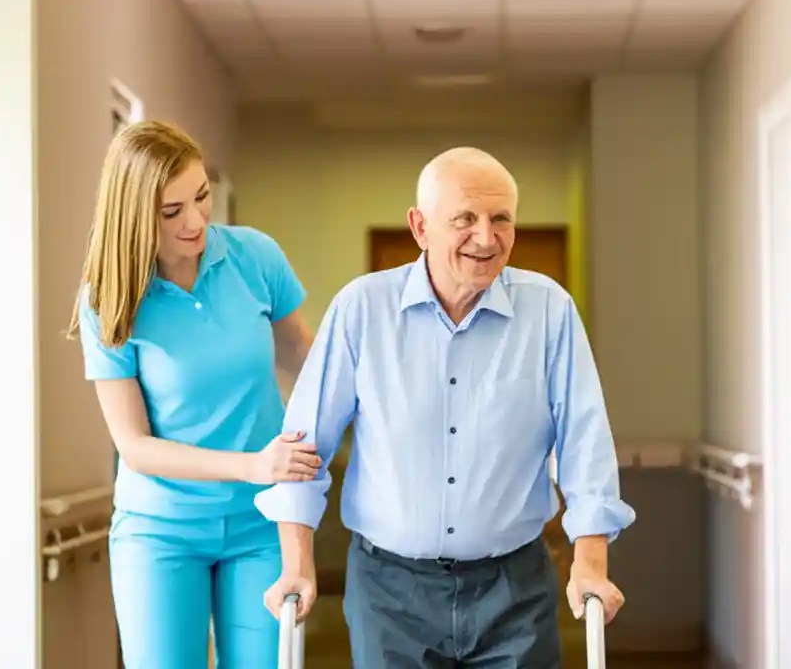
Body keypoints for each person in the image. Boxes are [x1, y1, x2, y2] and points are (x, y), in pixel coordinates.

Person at [255, 147, 636, 667]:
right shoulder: (362, 310)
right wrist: (296, 561)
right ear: (420, 227)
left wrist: (590, 559)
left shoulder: (548, 311)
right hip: (390, 593)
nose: (486, 237)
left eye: (501, 219)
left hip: (515, 589)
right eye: (465, 220)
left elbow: (584, 442)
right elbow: (306, 446)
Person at [68, 120, 319, 668]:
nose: (197, 220)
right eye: (171, 210)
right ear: (135, 215)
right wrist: (251, 465)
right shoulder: (108, 298)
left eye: (201, 196)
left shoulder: (254, 258)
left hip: (259, 524)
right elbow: (134, 446)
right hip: (160, 531)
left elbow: (304, 353)